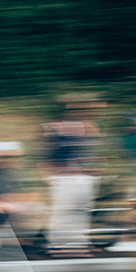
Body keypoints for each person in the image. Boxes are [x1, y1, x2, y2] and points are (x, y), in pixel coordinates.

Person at [42, 96, 104, 257]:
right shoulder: (58, 127)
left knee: (81, 212)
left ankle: (77, 244)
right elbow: (49, 154)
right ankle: (58, 246)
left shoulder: (86, 127)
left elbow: (90, 151)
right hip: (65, 176)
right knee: (63, 211)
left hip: (80, 176)